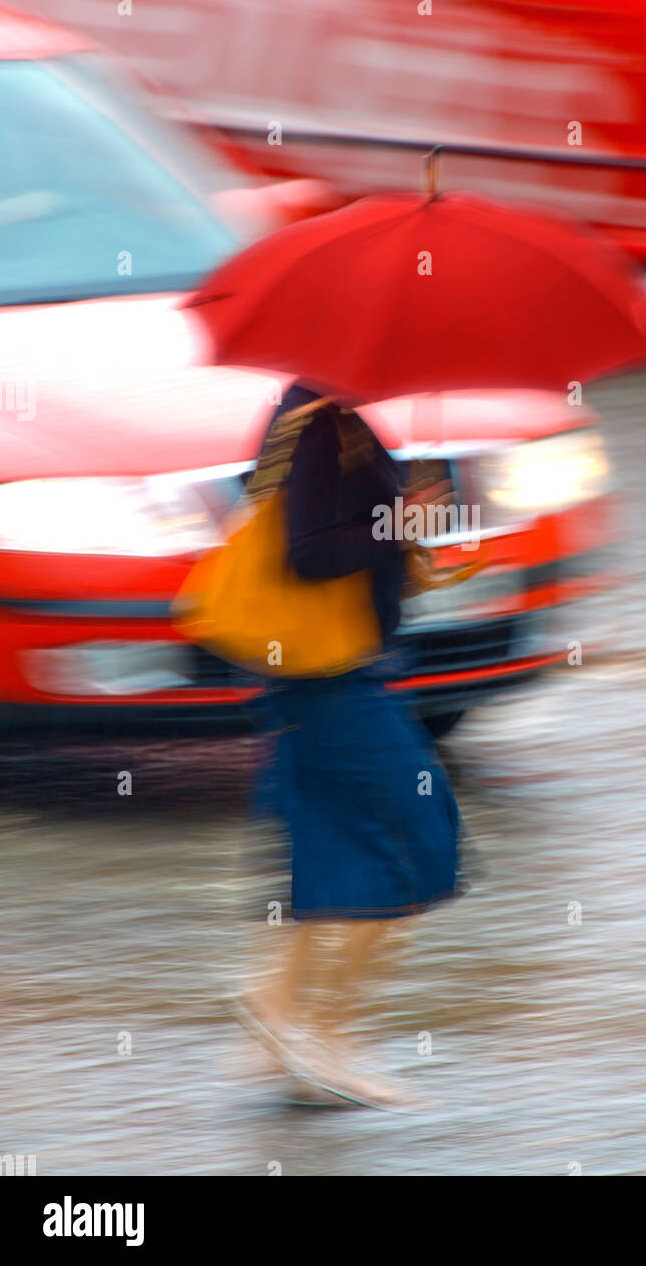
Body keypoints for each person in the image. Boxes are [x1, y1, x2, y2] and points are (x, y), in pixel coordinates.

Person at [236, 380, 465, 1108]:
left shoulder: (347, 420)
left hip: (342, 670)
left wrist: (413, 534)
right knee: (416, 839)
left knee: (330, 847)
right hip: (326, 680)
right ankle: (323, 1035)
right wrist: (398, 525)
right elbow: (306, 554)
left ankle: (275, 1011)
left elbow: (356, 545)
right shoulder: (313, 425)